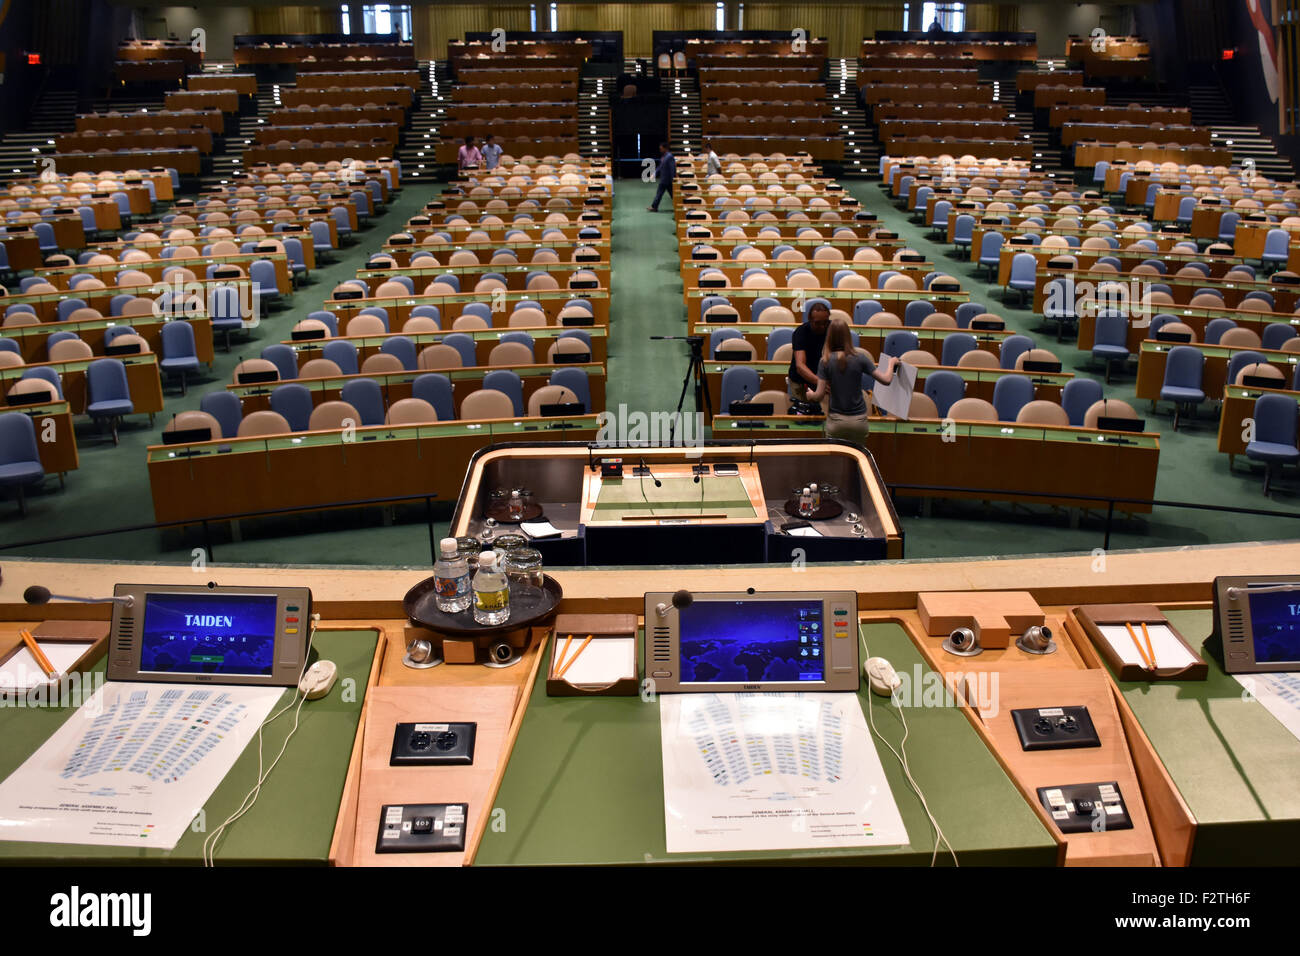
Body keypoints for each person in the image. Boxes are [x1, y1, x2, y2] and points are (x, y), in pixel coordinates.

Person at [807, 317, 899, 446]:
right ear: (847, 336)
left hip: (836, 423)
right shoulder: (860, 358)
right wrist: (891, 363)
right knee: (857, 462)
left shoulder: (825, 361)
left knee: (836, 463)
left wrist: (810, 394)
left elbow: (819, 396)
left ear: (829, 336)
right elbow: (886, 380)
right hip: (859, 422)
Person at [787, 300, 831, 402]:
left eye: (825, 322)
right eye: (817, 323)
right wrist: (820, 383)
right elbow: (800, 366)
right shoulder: (801, 332)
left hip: (823, 380)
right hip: (801, 382)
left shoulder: (832, 329)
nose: (822, 327)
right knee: (801, 415)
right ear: (809, 320)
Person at [647, 142, 676, 212]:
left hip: (668, 180)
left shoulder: (670, 156)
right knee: (662, 194)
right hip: (664, 179)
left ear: (665, 148)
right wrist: (654, 173)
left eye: (661, 149)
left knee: (671, 195)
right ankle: (654, 207)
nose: (660, 150)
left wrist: (673, 178)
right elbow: (660, 167)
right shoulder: (663, 156)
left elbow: (673, 168)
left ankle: (655, 207)